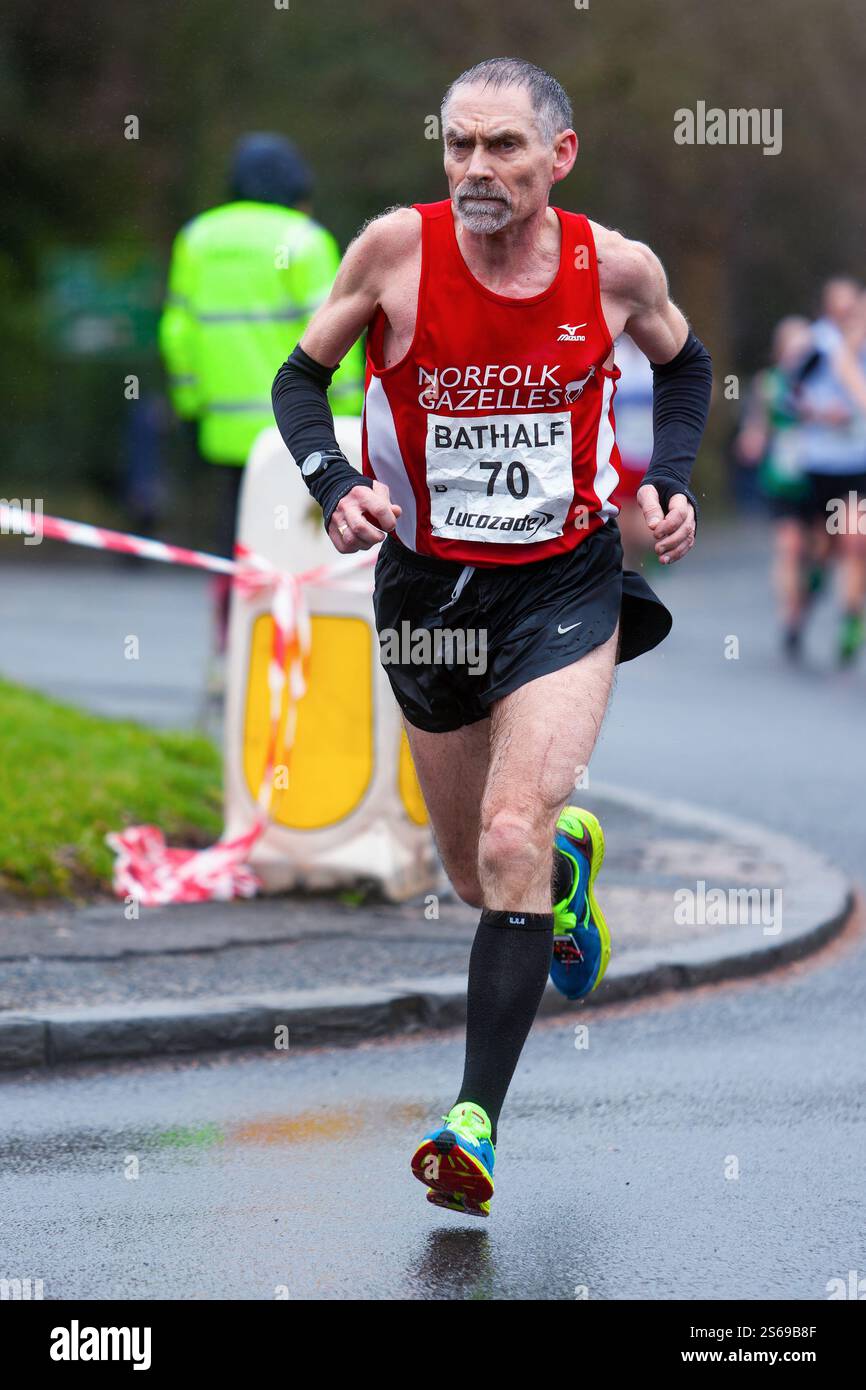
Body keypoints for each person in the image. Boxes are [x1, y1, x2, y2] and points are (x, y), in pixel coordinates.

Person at [272, 58, 711, 1217]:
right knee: (476, 869)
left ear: (556, 158)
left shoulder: (613, 268)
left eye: (502, 146)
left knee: (506, 829)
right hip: (427, 592)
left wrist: (665, 482)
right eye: (459, 144)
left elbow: (686, 363)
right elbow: (297, 377)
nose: (475, 167)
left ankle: (472, 1124)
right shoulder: (389, 253)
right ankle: (564, 869)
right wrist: (333, 482)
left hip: (563, 584)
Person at [159, 132, 364, 649]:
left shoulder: (198, 238)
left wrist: (192, 403)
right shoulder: (303, 239)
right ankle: (298, 657)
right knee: (304, 548)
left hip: (226, 428)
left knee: (234, 540)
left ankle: (231, 650)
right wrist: (349, 415)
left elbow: (177, 331)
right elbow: (334, 334)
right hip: (299, 432)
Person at [791, 277, 866, 664]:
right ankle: (804, 607)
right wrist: (823, 413)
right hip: (821, 463)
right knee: (822, 548)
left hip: (858, 464)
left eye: (850, 304)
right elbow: (789, 395)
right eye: (837, 304)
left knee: (855, 540)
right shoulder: (818, 344)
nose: (845, 311)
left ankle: (851, 620)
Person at [735, 315, 815, 659]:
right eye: (791, 348)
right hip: (783, 479)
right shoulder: (769, 384)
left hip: (821, 481)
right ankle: (790, 617)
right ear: (780, 352)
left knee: (818, 553)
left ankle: (808, 595)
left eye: (804, 348)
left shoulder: (829, 380)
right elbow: (758, 423)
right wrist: (753, 437)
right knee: (789, 546)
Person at [609, 333, 657, 569]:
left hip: (652, 453)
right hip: (623, 451)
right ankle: (628, 574)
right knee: (624, 523)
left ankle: (642, 564)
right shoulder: (616, 353)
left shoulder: (659, 351)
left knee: (648, 530)